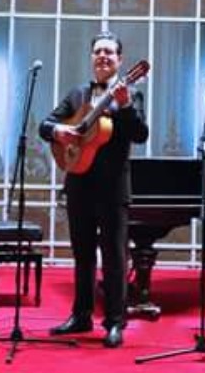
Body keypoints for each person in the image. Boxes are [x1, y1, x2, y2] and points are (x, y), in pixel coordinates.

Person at [39, 33, 149, 348]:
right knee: (82, 254)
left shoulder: (131, 94)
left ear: (120, 60)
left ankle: (115, 321)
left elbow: (140, 134)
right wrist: (59, 130)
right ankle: (81, 314)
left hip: (113, 188)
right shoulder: (76, 95)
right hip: (78, 185)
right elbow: (45, 124)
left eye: (109, 52)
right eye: (98, 51)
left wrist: (125, 105)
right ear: (92, 57)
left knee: (114, 256)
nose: (103, 56)